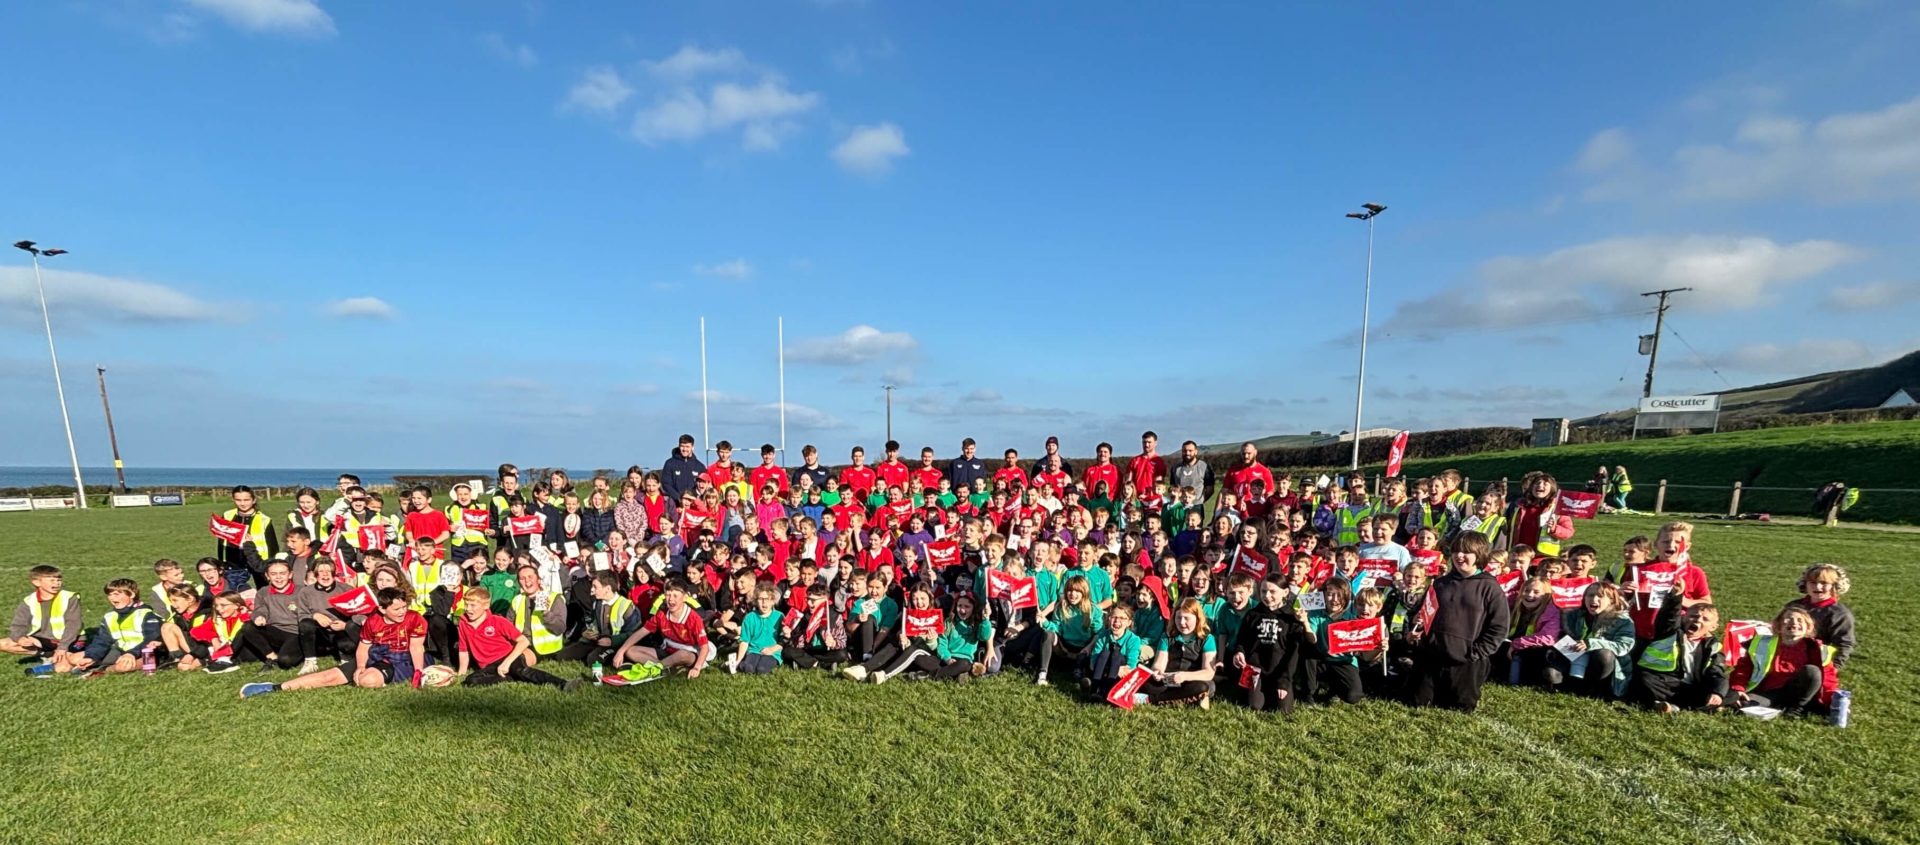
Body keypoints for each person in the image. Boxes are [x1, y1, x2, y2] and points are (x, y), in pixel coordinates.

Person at [242, 587, 428, 698]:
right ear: (381, 608)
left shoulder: (415, 619)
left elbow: (416, 647)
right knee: (329, 677)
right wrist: (360, 666)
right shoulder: (372, 620)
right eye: (397, 609)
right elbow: (363, 647)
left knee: (368, 681)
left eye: (404, 607)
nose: (402, 611)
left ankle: (377, 676)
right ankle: (273, 687)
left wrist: (418, 673)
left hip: (403, 658)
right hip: (378, 655)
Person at [1411, 531, 1509, 713]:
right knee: (1419, 702)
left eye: (1466, 552)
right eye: (1456, 551)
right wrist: (1417, 625)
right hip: (1433, 655)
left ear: (1479, 555)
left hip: (1466, 660)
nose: (1459, 556)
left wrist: (1476, 652)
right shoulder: (1440, 583)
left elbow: (1499, 627)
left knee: (1460, 707)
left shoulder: (1490, 587)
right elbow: (1421, 612)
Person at [455, 587, 578, 690]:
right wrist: (461, 671)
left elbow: (523, 640)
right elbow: (463, 649)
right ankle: (510, 676)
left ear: (486, 605)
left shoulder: (497, 621)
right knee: (471, 681)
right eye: (466, 604)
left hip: (508, 657)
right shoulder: (463, 622)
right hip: (488, 665)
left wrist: (507, 662)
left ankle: (563, 683)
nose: (468, 609)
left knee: (521, 670)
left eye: (473, 605)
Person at [1730, 605, 1838, 718]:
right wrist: (1738, 689)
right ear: (1778, 626)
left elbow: (1828, 680)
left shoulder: (1818, 649)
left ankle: (1797, 708)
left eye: (1800, 620)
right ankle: (1778, 707)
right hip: (1769, 691)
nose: (1794, 623)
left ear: (1808, 628)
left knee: (1812, 671)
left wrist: (1833, 703)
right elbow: (1743, 669)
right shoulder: (1761, 644)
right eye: (1788, 619)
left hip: (1799, 692)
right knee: (1744, 707)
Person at [608, 578, 713, 685]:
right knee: (630, 651)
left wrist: (697, 668)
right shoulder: (662, 614)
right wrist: (621, 651)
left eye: (675, 596)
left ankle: (655, 668)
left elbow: (704, 647)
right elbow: (641, 632)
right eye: (668, 595)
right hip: (668, 651)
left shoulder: (693, 618)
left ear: (685, 597)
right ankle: (663, 667)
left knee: (682, 655)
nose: (671, 599)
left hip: (689, 653)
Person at [47, 579, 160, 677]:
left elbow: (151, 639)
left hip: (145, 652)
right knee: (75, 659)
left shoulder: (146, 614)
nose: (112, 598)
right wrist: (91, 657)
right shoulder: (110, 616)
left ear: (131, 595)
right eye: (109, 594)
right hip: (121, 651)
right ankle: (56, 666)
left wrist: (132, 654)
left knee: (123, 667)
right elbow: (102, 640)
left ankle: (104, 670)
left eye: (117, 594)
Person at [1628, 603, 1728, 713]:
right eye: (1694, 616)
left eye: (1705, 619)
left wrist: (1717, 693)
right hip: (1665, 681)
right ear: (1684, 617)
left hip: (1691, 687)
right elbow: (1670, 615)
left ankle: (1672, 707)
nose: (1698, 620)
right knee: (1643, 680)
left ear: (1713, 627)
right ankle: (1696, 707)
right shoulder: (1671, 632)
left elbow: (1717, 673)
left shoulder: (1713, 647)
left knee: (1728, 692)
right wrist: (1675, 596)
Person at [1548, 581, 1635, 699]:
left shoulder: (1622, 620)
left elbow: (1624, 646)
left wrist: (1591, 644)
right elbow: (1561, 636)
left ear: (1612, 600)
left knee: (1604, 654)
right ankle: (1570, 685)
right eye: (1590, 595)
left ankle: (1598, 689)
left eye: (1600, 596)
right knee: (1551, 674)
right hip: (1575, 659)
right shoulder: (1572, 615)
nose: (1594, 599)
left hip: (1603, 666)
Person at [1234, 576, 1305, 714]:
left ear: (1285, 592)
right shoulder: (1253, 614)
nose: (1267, 596)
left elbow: (1294, 653)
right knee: (1254, 706)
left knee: (1282, 710)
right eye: (1263, 591)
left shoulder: (1291, 617)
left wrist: (1284, 681)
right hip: (1255, 670)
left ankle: (1279, 689)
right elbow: (1242, 639)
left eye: (1272, 592)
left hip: (1279, 671)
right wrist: (1239, 652)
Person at [5, 565, 83, 669]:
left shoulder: (69, 597)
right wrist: (19, 638)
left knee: (62, 669)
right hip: (43, 640)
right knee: (4, 643)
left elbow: (73, 625)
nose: (57, 583)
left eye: (59, 579)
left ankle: (62, 656)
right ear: (36, 582)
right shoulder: (29, 600)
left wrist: (62, 647)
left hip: (70, 640)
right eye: (52, 580)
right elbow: (18, 625)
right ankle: (48, 655)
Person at [1143, 598, 1216, 707]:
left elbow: (1209, 672)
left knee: (1204, 687)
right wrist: (1157, 672)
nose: (1182, 623)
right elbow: (1159, 663)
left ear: (1197, 618)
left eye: (1186, 618)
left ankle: (1152, 699)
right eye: (1178, 618)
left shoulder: (1207, 639)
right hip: (1170, 680)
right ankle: (1188, 699)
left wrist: (1184, 676)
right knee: (1148, 684)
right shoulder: (1167, 636)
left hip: (1191, 679)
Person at [237, 561, 309, 671]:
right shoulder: (263, 592)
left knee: (285, 661)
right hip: (275, 630)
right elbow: (260, 608)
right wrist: (259, 616)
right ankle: (271, 657)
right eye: (274, 574)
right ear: (267, 576)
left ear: (290, 574)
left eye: (282, 573)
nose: (278, 578)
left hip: (295, 632)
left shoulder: (301, 591)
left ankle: (296, 652)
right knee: (248, 627)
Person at [1787, 564, 1856, 668]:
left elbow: (1844, 644)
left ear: (1835, 586)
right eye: (1813, 582)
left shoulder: (1839, 614)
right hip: (1786, 656)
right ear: (1805, 584)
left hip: (1815, 661)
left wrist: (1832, 668)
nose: (1818, 587)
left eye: (1824, 583)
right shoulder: (1793, 606)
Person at [214, 485, 278, 591]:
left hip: (258, 561)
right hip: (233, 561)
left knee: (264, 591)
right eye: (238, 500)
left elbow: (273, 546)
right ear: (233, 500)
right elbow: (221, 541)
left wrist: (270, 565)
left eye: (246, 500)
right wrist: (221, 561)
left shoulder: (264, 520)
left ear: (253, 500)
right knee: (234, 592)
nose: (242, 503)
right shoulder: (227, 515)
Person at [1085, 603, 1146, 702]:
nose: (1117, 621)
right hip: (1102, 671)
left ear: (1129, 622)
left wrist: (1117, 670)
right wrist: (1113, 669)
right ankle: (1095, 690)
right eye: (1114, 617)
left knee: (1116, 654)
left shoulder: (1134, 640)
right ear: (1109, 619)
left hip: (1120, 676)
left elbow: (1131, 666)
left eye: (1122, 618)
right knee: (1105, 653)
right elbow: (1093, 662)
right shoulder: (1103, 635)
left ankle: (1107, 690)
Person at [782, 583, 850, 670]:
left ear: (825, 600)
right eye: (808, 599)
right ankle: (819, 664)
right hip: (808, 650)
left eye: (813, 600)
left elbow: (842, 641)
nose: (809, 603)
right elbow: (796, 640)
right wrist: (789, 634)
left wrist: (834, 643)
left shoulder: (834, 616)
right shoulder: (804, 615)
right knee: (787, 651)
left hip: (826, 651)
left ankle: (806, 662)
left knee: (842, 654)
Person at [728, 584, 785, 675]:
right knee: (748, 668)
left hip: (772, 652)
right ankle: (736, 663)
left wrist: (772, 649)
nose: (764, 602)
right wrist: (738, 660)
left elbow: (783, 639)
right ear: (755, 601)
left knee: (762, 669)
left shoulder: (779, 616)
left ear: (773, 601)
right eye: (760, 599)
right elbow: (745, 641)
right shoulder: (750, 617)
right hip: (754, 650)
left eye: (767, 599)